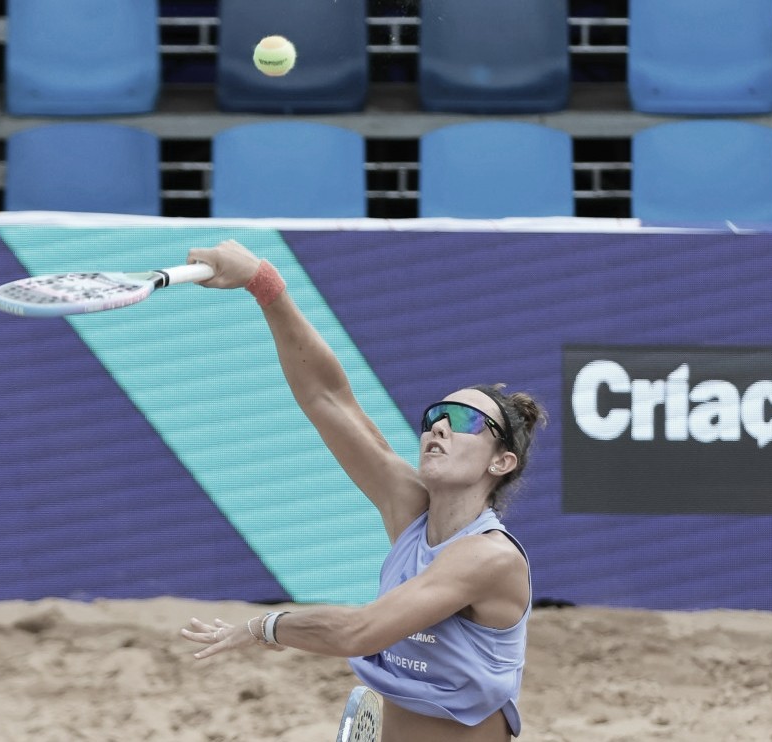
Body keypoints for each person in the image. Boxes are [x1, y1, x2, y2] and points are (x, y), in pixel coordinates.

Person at [178, 239, 547, 741]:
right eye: (433, 416)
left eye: (462, 420)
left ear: (503, 461)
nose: (437, 427)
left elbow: (360, 632)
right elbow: (326, 397)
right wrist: (263, 284)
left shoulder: (490, 558)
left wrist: (262, 627)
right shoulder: (410, 509)